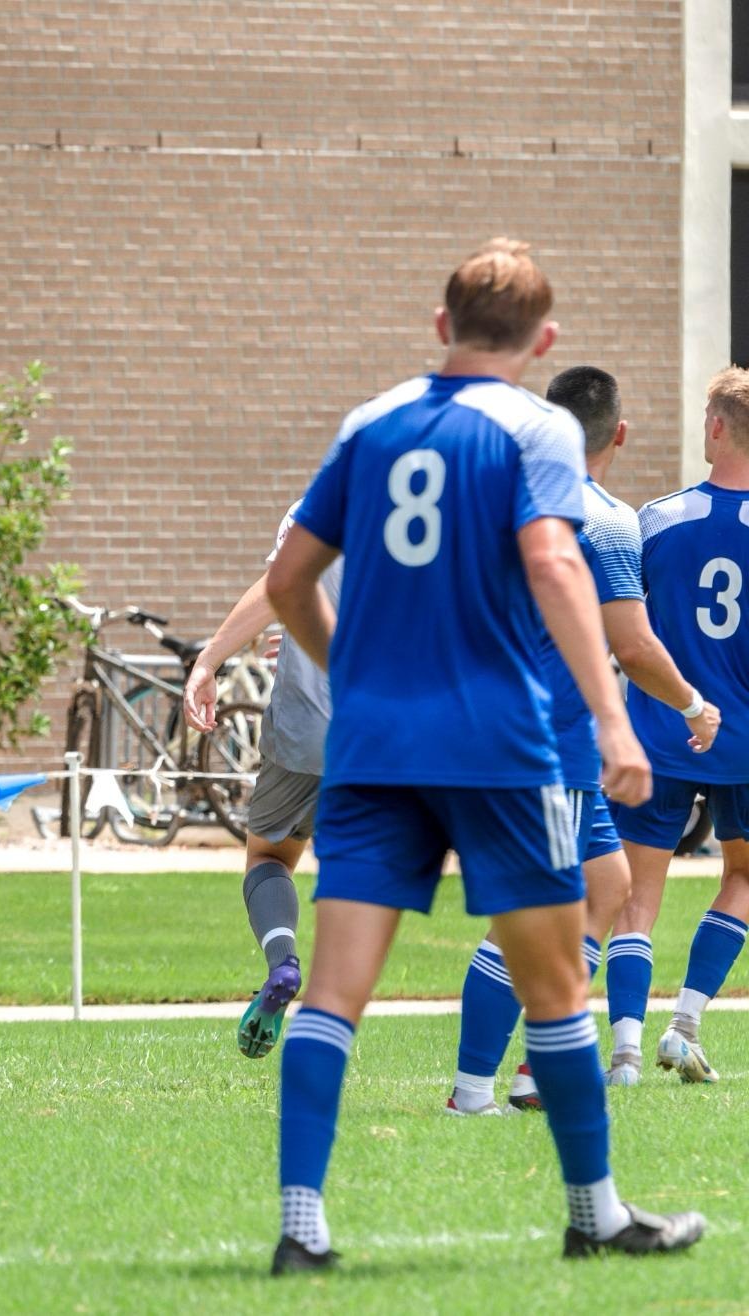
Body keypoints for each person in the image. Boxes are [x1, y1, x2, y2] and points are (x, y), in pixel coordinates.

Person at [263, 238, 703, 1272]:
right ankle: (594, 1213)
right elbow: (550, 558)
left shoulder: (367, 422)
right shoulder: (535, 424)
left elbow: (289, 579)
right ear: (541, 340)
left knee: (332, 990)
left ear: (437, 325)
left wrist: (356, 675)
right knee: (553, 983)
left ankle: (299, 1226)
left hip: (370, 747)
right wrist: (607, 714)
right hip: (496, 745)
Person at [447, 366, 719, 1114]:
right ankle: (471, 1092)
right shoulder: (604, 516)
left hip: (519, 732)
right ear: (619, 435)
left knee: (608, 887)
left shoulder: (497, 499)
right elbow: (632, 645)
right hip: (545, 740)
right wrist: (695, 705)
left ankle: (538, 1071)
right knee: (530, 915)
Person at [602, 367, 749, 1084]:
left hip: (658, 733)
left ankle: (625, 1050)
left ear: (716, 428)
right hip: (744, 744)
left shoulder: (654, 519)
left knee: (635, 896)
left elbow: (625, 630)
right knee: (743, 877)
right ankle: (684, 1024)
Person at [185, 509, 338, 1059]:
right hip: (392, 727)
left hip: (306, 728)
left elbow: (280, 588)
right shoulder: (447, 508)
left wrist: (209, 660)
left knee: (269, 857)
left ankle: (283, 963)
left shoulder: (317, 505)